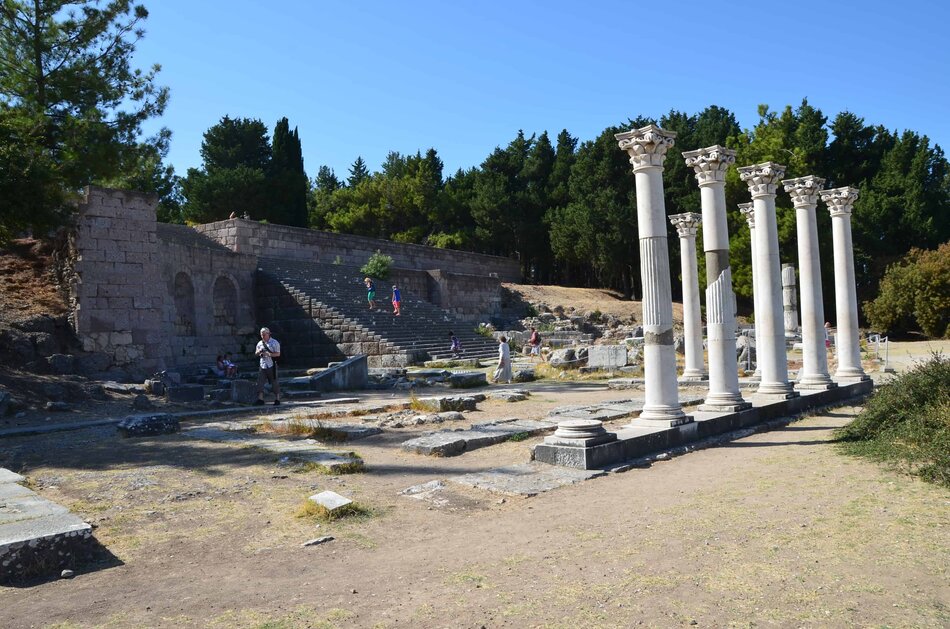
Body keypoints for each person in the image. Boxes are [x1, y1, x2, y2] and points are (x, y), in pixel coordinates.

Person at [254, 327, 281, 406]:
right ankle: (260, 399)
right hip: (262, 365)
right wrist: (259, 352)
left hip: (272, 365)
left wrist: (269, 354)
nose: (262, 336)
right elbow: (256, 353)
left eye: (264, 334)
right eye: (261, 334)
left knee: (274, 382)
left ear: (268, 334)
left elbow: (278, 354)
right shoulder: (259, 343)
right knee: (260, 382)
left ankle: (277, 399)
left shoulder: (274, 343)